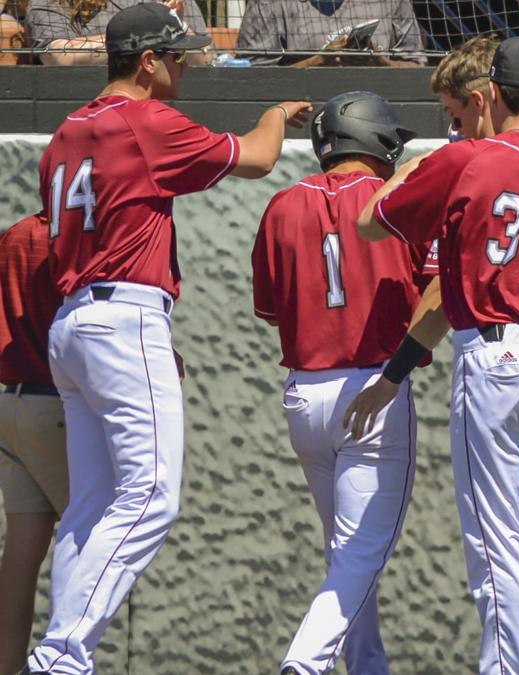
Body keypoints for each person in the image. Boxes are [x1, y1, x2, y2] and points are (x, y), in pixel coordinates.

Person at [25, 5, 310, 672]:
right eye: (175, 54)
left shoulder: (67, 131)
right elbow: (260, 159)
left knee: (92, 508)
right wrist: (276, 113)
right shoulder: (146, 120)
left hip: (73, 323)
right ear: (145, 61)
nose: (184, 63)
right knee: (152, 494)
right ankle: (62, 653)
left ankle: (67, 655)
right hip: (122, 313)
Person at [351, 36, 519, 674]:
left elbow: (368, 220)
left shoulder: (468, 157)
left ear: (490, 92)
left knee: (497, 540)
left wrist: (422, 164)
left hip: (497, 356)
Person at [250, 91, 425, 675]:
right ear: (377, 138)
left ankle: (366, 665)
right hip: (373, 391)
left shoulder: (281, 204)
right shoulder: (396, 203)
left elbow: (273, 310)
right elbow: (433, 292)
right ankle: (304, 663)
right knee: (361, 556)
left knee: (346, 556)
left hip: (305, 396)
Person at [0, 212, 67, 675]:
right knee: (91, 545)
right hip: (58, 407)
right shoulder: (78, 239)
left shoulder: (14, 235)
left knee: (20, 559)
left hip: (11, 405)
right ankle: (64, 665)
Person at [236, 0, 423, 67]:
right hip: (304, 116)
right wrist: (317, 62)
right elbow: (253, 80)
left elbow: (417, 67)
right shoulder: (268, 3)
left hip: (380, 109)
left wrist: (380, 63)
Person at [24, 0, 211, 65]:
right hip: (95, 106)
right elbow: (58, 56)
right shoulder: (51, 2)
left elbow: (206, 59)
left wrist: (180, 27)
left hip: (166, 105)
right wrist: (144, 30)